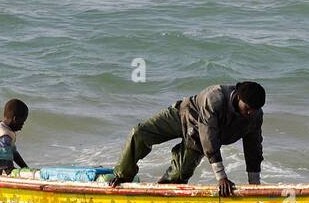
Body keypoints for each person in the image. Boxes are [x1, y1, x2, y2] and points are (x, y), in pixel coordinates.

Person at [110, 82, 265, 197]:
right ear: (238, 97)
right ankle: (122, 177)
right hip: (185, 114)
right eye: (247, 108)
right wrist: (221, 177)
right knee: (140, 133)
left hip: (197, 136)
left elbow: (253, 150)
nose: (250, 113)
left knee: (178, 176)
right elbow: (209, 139)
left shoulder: (255, 117)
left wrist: (255, 187)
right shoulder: (215, 97)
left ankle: (161, 198)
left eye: (255, 110)